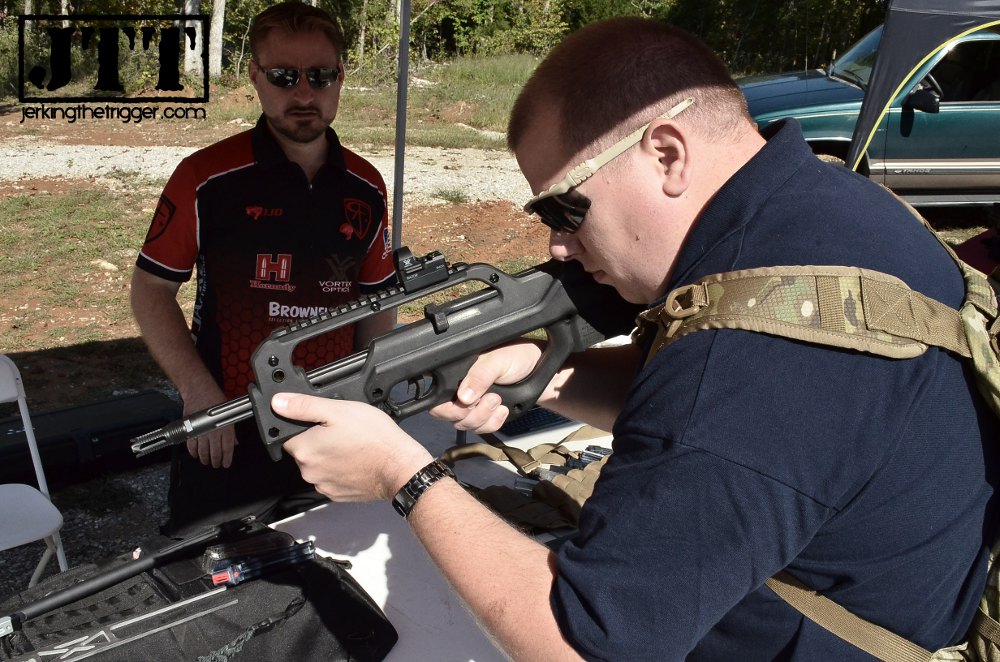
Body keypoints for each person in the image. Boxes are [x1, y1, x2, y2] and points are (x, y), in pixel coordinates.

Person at [273, 17, 999, 660]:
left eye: (564, 207)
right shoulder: (830, 209)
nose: (558, 245)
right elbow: (733, 430)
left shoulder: (748, 363)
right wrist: (548, 374)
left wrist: (403, 475)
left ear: (667, 154)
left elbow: (580, 640)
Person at [131, 1, 395, 535]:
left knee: (338, 577)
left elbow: (377, 303)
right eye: (283, 76)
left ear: (341, 76)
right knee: (212, 585)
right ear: (254, 75)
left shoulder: (366, 185)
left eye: (320, 75)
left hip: (330, 421)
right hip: (226, 426)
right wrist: (198, 394)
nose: (303, 93)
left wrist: (374, 395)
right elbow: (151, 290)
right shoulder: (205, 178)